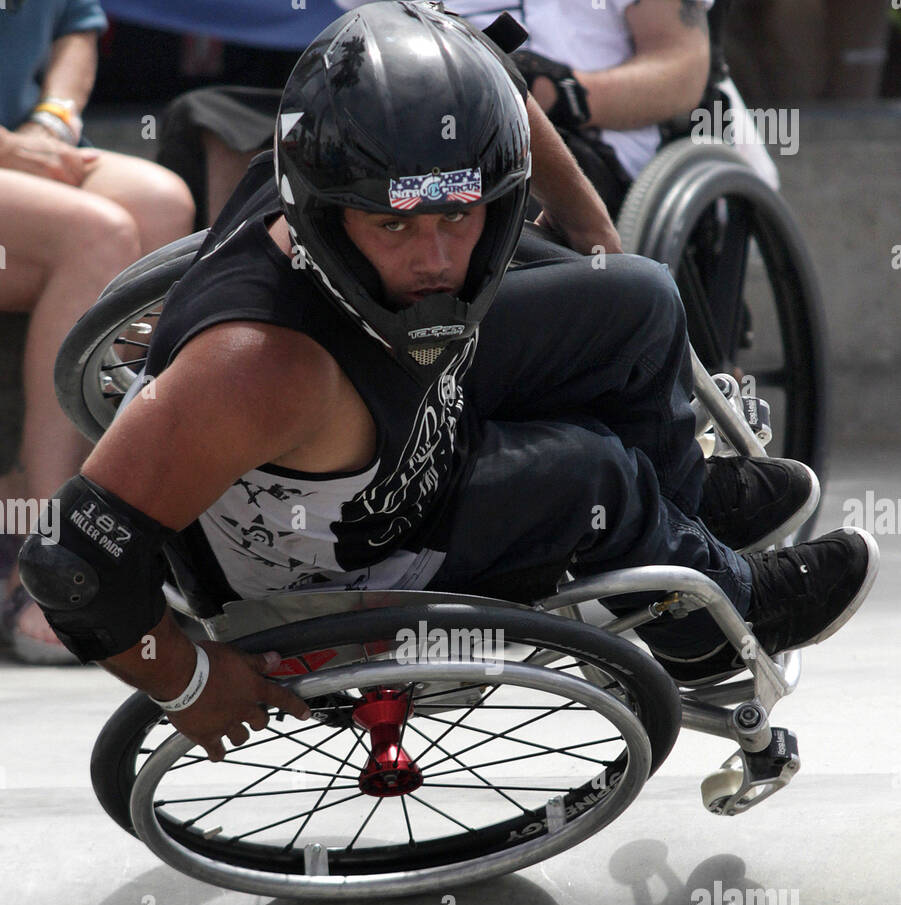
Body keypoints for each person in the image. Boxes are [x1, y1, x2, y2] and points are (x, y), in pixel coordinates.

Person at [18, 1, 876, 765]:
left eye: (457, 217)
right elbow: (72, 564)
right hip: (354, 543)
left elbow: (488, 77)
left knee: (640, 297)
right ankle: (705, 622)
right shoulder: (255, 364)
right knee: (595, 469)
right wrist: (187, 681)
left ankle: (682, 509)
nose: (433, 259)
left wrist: (589, 227)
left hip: (405, 408)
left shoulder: (338, 152)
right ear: (323, 208)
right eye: (393, 222)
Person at [0, 0, 196, 663]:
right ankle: (43, 548)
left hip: (31, 149)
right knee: (97, 234)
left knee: (162, 203)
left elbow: (75, 27)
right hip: (9, 155)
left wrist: (51, 122)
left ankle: (113, 519)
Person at [451, 0, 715, 220]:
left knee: (491, 205)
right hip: (452, 126)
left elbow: (684, 75)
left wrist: (561, 93)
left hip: (590, 148)